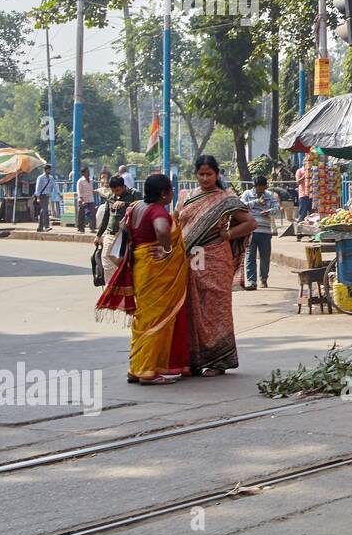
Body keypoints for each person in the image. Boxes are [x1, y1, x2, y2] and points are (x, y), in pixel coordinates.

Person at [95, 174, 190, 385]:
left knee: (144, 319)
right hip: (155, 270)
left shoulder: (136, 206)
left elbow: (126, 226)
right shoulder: (158, 211)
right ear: (165, 194)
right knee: (155, 320)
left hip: (140, 265)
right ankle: (147, 371)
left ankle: (136, 367)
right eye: (171, 191)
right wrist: (167, 249)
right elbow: (161, 229)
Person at [175, 155, 256, 376]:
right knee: (192, 308)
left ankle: (219, 361)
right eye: (201, 174)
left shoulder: (225, 199)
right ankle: (194, 360)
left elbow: (250, 222)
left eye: (209, 174)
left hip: (216, 259)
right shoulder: (186, 197)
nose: (205, 178)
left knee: (215, 309)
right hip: (190, 259)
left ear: (217, 174)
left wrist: (228, 234)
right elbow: (176, 222)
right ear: (195, 174)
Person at [239, 175, 280, 290]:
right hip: (250, 231)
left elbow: (277, 209)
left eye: (263, 189)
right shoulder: (247, 194)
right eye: (259, 189)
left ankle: (264, 279)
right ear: (254, 186)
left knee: (265, 257)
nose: (261, 191)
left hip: (265, 231)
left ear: (266, 187)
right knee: (250, 256)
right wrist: (256, 201)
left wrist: (269, 211)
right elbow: (241, 206)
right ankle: (252, 281)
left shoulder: (270, 195)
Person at [94, 175, 141, 272]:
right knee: (106, 262)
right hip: (111, 234)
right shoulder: (111, 197)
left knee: (127, 263)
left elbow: (141, 207)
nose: (116, 193)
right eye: (113, 191)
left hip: (127, 236)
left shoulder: (134, 194)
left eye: (118, 190)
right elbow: (106, 217)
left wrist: (125, 204)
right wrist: (98, 235)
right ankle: (110, 285)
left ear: (123, 186)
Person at [75, 167, 96, 233]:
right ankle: (80, 228)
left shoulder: (91, 180)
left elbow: (91, 190)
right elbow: (79, 192)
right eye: (87, 172)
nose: (88, 173)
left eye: (88, 171)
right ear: (83, 173)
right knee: (81, 215)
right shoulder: (80, 181)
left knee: (93, 214)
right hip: (83, 200)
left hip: (90, 199)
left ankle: (92, 228)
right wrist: (82, 200)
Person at [33, 164, 53, 232]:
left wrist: (58, 193)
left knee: (43, 211)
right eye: (48, 169)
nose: (49, 171)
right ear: (45, 170)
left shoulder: (51, 177)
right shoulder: (40, 177)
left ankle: (40, 227)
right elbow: (37, 188)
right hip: (41, 195)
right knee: (45, 210)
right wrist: (38, 197)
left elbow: (54, 185)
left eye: (50, 169)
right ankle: (46, 226)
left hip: (47, 196)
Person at [294, 157, 313, 222]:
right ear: (303, 162)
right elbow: (297, 182)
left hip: (312, 195)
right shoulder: (299, 171)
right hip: (303, 195)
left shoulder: (312, 170)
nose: (308, 163)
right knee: (302, 214)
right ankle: (299, 228)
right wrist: (304, 176)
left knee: (313, 215)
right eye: (306, 161)